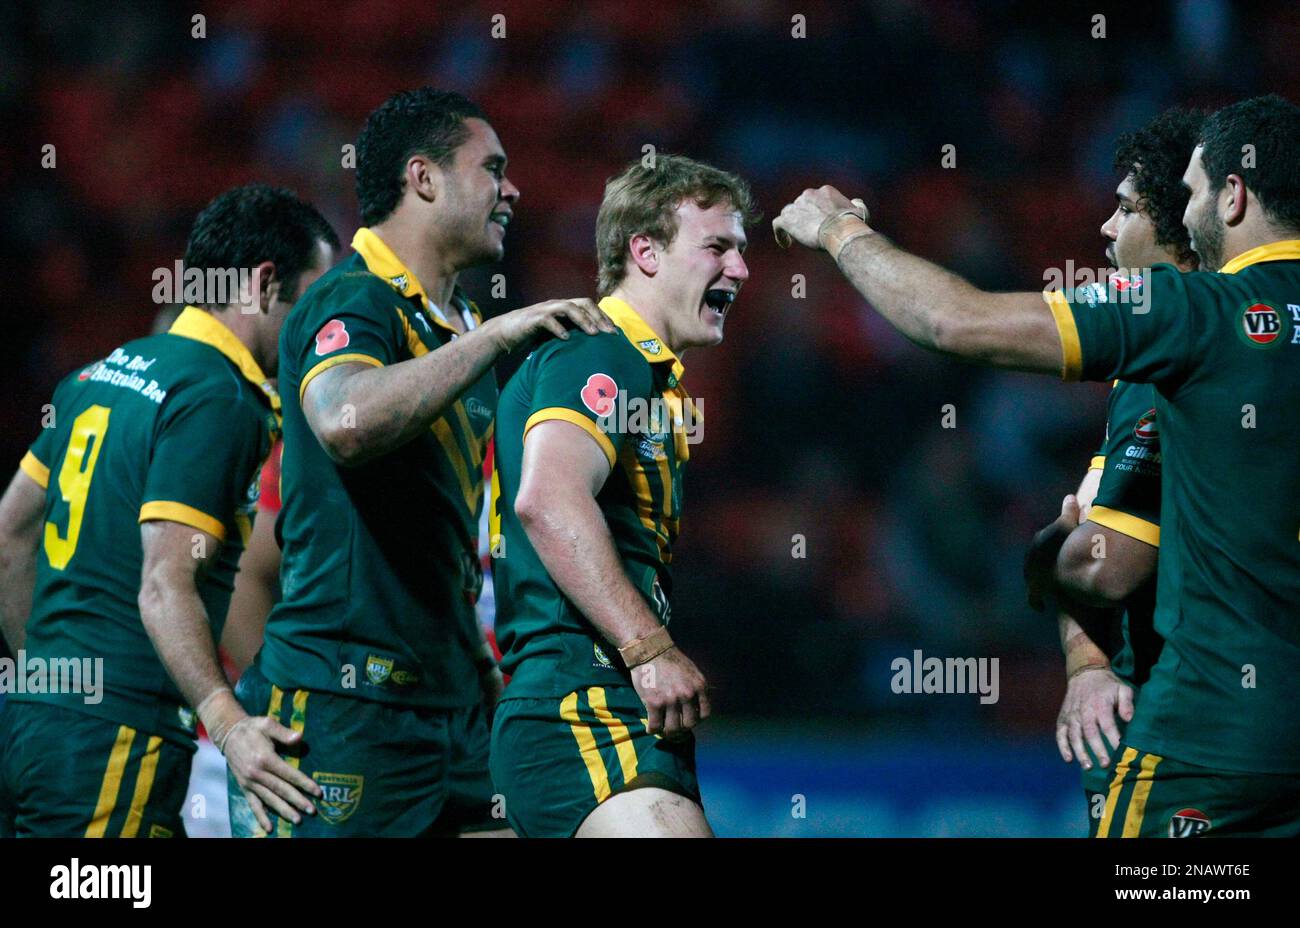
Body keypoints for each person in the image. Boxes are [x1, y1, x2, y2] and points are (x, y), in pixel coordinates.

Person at [774, 94, 1300, 836]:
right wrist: (1085, 658)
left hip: (1211, 734)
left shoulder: (1190, 317)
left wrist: (839, 229)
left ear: (1234, 196)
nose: (1108, 226)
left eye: (1191, 193)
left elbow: (955, 320)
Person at [230, 88, 613, 837]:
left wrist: (473, 653)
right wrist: (498, 337)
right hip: (346, 714)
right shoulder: (354, 301)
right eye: (492, 169)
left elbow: (442, 527)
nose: (513, 190)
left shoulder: (457, 322)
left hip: (453, 708)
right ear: (424, 178)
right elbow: (344, 420)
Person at [0, 184, 337, 837]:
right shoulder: (220, 396)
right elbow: (163, 581)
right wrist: (230, 723)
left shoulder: (100, 372)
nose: (322, 328)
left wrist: (50, 674)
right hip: (116, 741)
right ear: (264, 284)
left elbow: (10, 533)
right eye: (314, 300)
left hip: (30, 723)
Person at [490, 154, 758, 837]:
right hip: (584, 705)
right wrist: (648, 648)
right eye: (718, 247)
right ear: (644, 250)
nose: (741, 270)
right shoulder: (601, 352)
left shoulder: (645, 378)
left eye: (742, 250)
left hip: (601, 704)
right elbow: (545, 500)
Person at [1022, 108, 1203, 835]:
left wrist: (1041, 559)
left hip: (1186, 732)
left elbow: (1103, 564)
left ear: (1187, 234)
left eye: (1127, 209)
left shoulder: (1172, 367)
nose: (1104, 228)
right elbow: (1101, 528)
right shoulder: (1155, 368)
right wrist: (1086, 661)